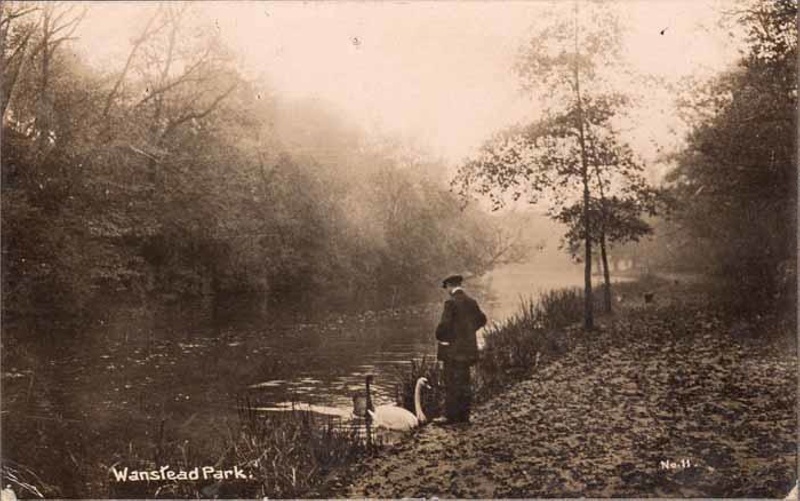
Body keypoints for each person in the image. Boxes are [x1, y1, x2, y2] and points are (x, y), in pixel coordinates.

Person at [435, 274, 487, 424]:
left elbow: (444, 327)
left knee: (451, 382)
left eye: (447, 288)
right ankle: (464, 416)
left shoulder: (450, 304)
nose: (447, 291)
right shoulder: (472, 302)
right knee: (465, 381)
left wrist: (444, 337)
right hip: (469, 350)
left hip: (453, 352)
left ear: (450, 286)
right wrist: (468, 332)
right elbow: (482, 319)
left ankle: (451, 417)